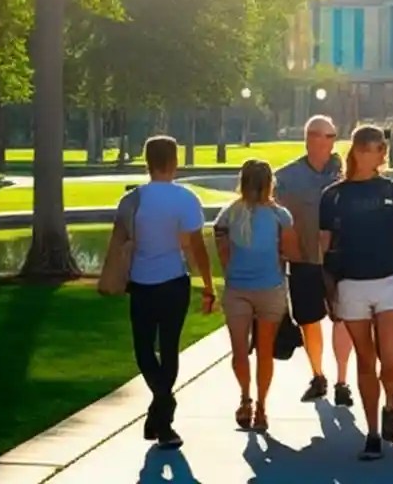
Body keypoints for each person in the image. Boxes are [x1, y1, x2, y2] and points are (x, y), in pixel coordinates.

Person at [319, 125, 393, 461]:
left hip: (390, 279)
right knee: (365, 359)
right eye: (376, 147)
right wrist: (328, 287)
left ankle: (390, 404)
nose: (381, 153)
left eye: (382, 148)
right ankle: (373, 431)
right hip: (351, 283)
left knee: (390, 359)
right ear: (360, 150)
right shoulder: (333, 196)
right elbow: (325, 248)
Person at [111, 136, 216, 449]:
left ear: (147, 162)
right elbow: (197, 248)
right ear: (174, 162)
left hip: (143, 283)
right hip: (173, 281)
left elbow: (119, 242)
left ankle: (161, 416)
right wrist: (209, 286)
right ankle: (164, 408)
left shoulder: (132, 200)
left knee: (144, 350)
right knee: (167, 349)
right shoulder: (185, 198)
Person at [273, 116, 354, 407]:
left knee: (342, 317)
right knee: (309, 320)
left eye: (332, 136)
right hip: (303, 259)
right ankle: (318, 375)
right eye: (322, 135)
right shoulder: (285, 179)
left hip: (339, 259)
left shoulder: (345, 173)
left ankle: (342, 381)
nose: (328, 142)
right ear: (309, 138)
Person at [214, 160, 297, 431]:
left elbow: (223, 253)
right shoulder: (280, 215)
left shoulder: (228, 214)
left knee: (240, 351)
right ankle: (260, 405)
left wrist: (234, 273)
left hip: (240, 288)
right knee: (263, 351)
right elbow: (289, 253)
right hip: (269, 288)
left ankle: (246, 399)